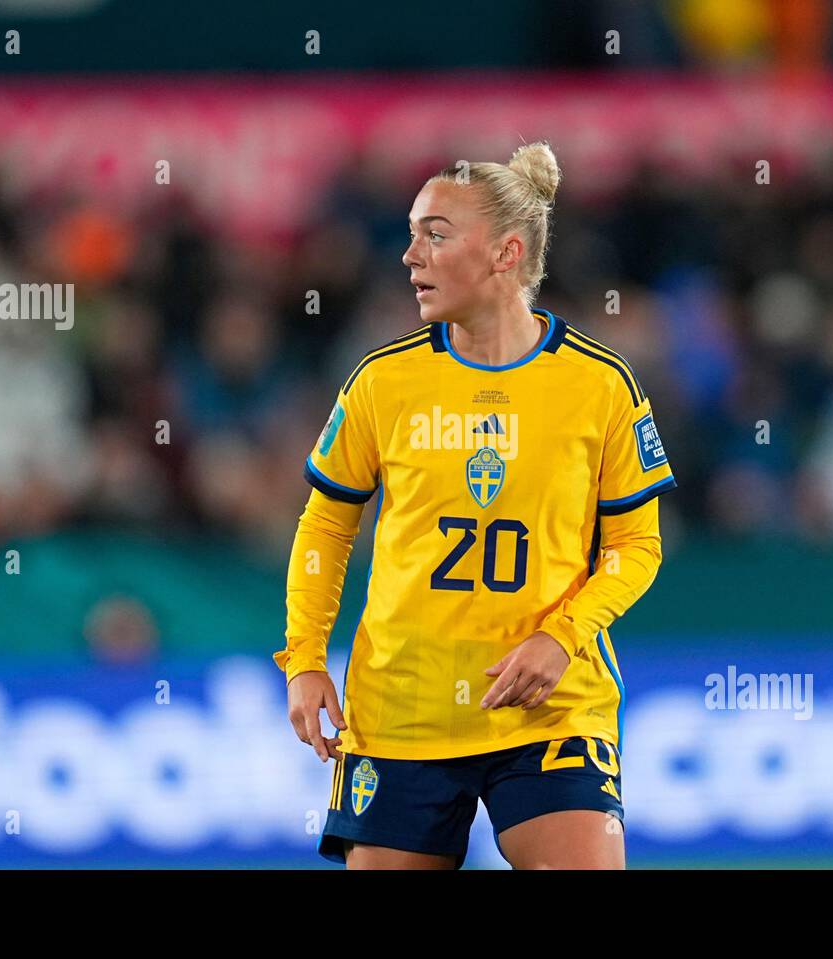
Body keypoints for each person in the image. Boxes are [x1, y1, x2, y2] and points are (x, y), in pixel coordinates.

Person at [275, 141, 676, 869]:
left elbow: (636, 546)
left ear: (505, 253)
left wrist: (564, 635)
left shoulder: (600, 384)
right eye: (410, 233)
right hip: (403, 708)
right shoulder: (383, 381)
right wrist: (304, 657)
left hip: (552, 710)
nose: (409, 256)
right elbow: (327, 523)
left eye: (435, 233)